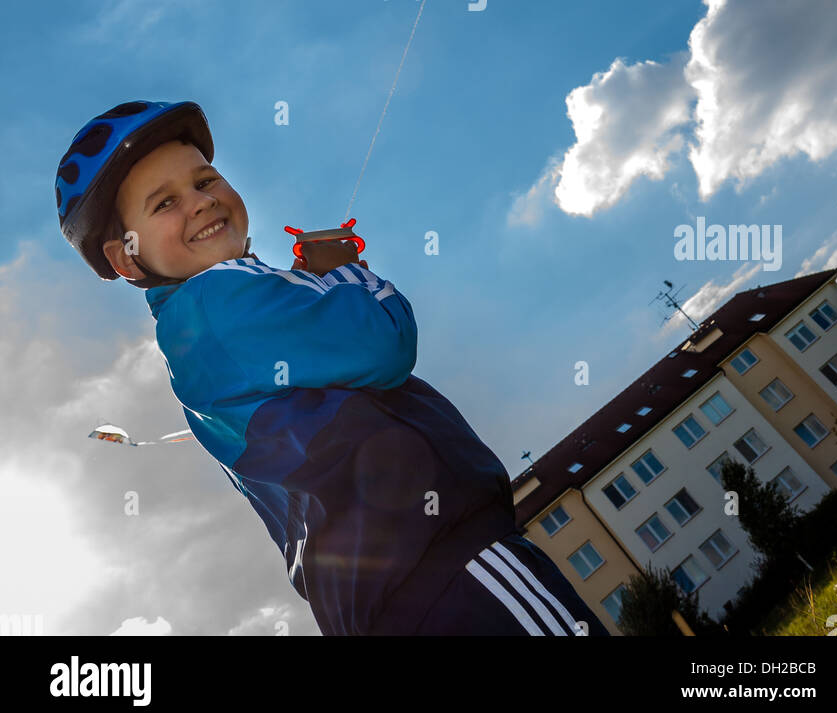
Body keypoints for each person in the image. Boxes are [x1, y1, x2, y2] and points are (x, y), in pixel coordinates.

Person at [56, 100, 609, 638]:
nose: (199, 203)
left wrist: (306, 289)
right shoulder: (216, 302)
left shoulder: (202, 335)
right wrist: (345, 273)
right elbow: (387, 342)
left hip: (387, 601)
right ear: (126, 259)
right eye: (164, 203)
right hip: (451, 568)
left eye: (205, 181)